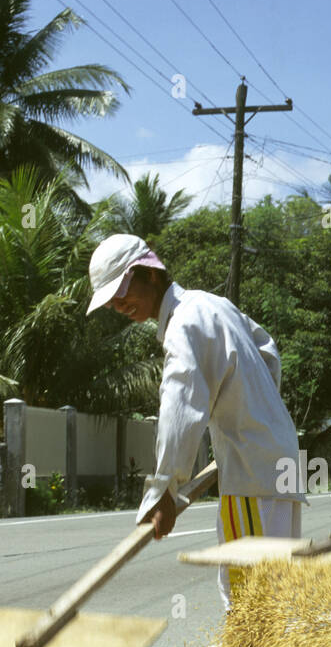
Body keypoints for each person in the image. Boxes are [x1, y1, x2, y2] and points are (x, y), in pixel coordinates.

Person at [86, 233, 306, 608]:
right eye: (112, 300)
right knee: (271, 595)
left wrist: (164, 490)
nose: (119, 304)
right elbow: (269, 354)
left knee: (249, 603)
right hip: (277, 466)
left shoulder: (184, 323)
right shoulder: (213, 304)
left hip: (251, 476)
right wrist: (254, 414)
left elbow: (180, 406)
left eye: (123, 290)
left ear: (150, 274)